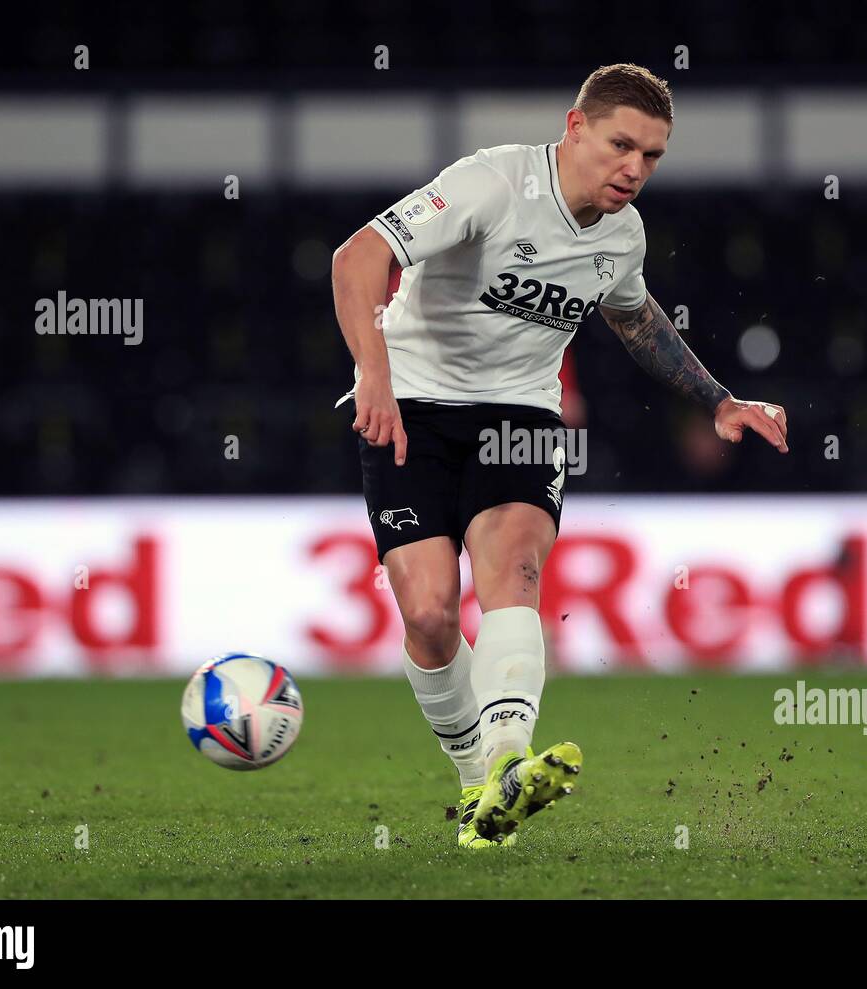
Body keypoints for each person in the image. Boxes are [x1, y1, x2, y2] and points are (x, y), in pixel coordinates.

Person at [330, 63, 788, 847]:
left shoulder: (622, 234)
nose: (634, 170)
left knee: (515, 566)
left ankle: (511, 760)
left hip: (520, 411)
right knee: (432, 614)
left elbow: (636, 317)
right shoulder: (492, 183)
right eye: (621, 146)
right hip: (411, 402)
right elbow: (356, 257)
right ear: (575, 128)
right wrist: (373, 372)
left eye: (651, 157)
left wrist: (719, 398)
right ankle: (477, 780)